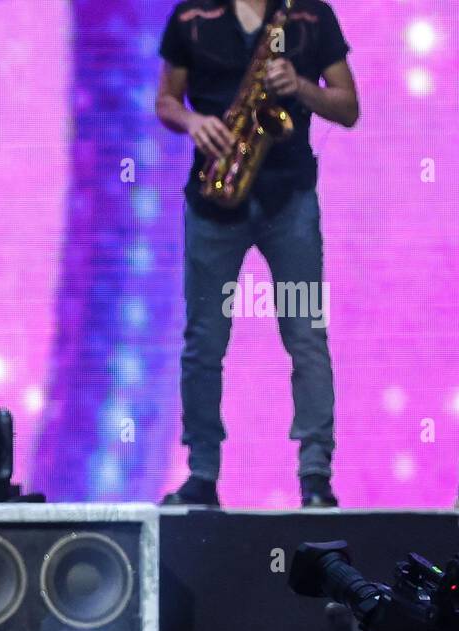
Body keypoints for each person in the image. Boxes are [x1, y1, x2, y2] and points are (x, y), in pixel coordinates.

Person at [156, 0, 359, 508]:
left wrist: (303, 88)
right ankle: (202, 473)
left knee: (305, 336)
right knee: (203, 344)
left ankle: (315, 475)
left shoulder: (309, 15)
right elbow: (165, 101)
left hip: (288, 201)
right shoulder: (190, 17)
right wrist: (192, 121)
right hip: (214, 200)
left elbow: (349, 108)